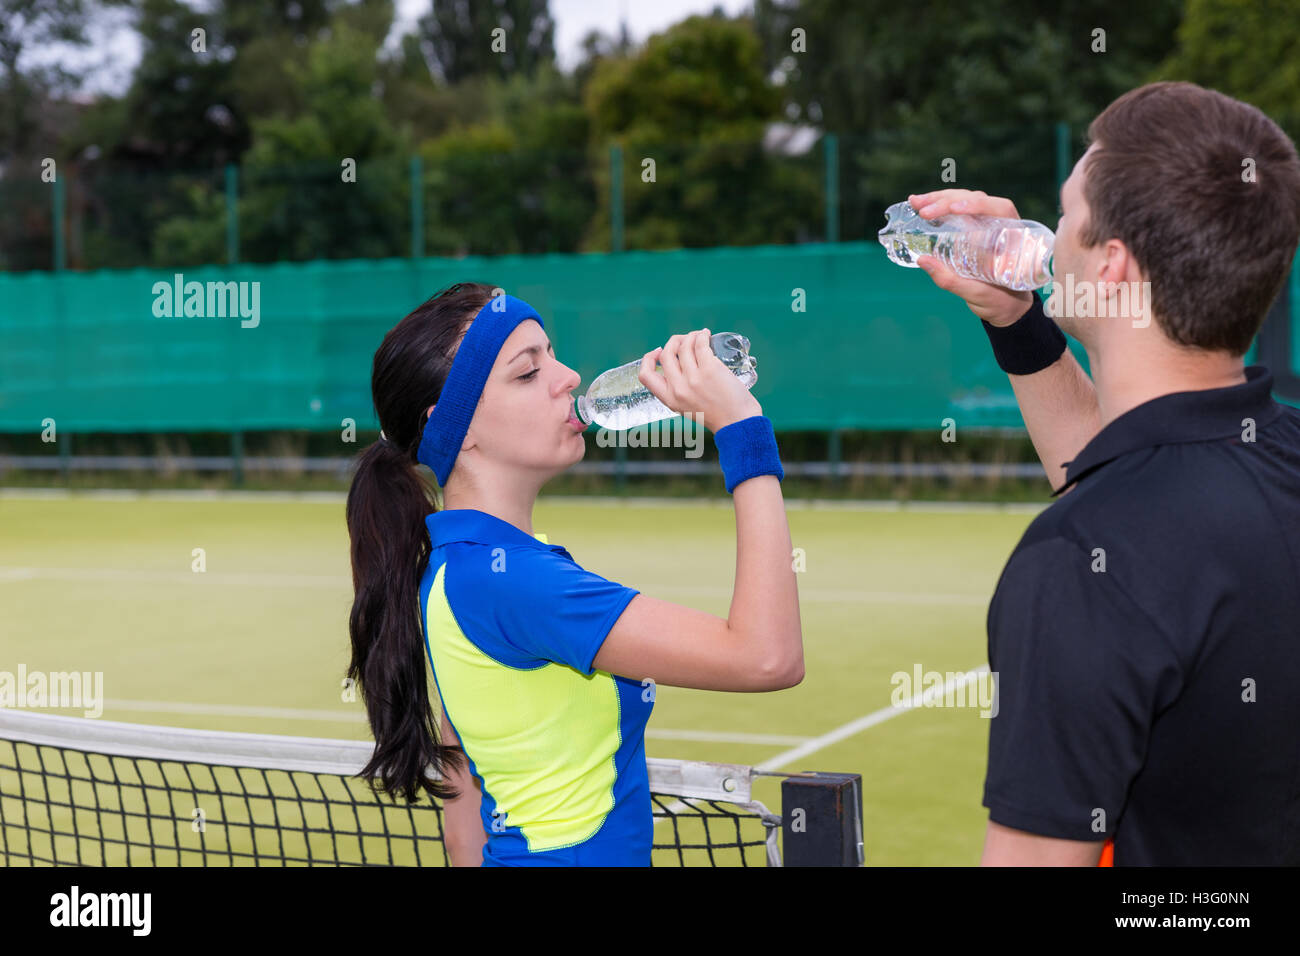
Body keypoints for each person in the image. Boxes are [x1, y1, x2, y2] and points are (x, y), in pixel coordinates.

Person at [913, 81, 1300, 865]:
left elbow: (1126, 531)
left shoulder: (1079, 565)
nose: (1045, 240)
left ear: (1112, 264)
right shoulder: (1271, 453)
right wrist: (1016, 320)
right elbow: (1135, 485)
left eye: (1064, 218)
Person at [344, 282, 803, 866]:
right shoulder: (510, 579)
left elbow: (464, 820)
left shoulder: (458, 564)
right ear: (458, 427)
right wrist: (743, 429)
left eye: (553, 356)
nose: (568, 379)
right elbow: (768, 657)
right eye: (527, 373)